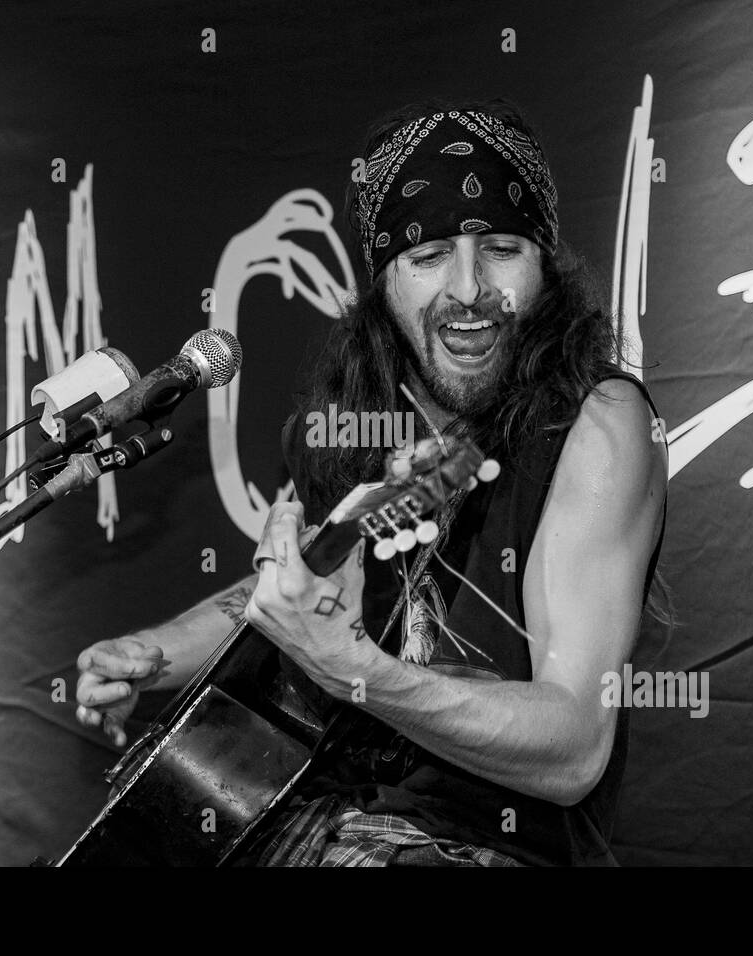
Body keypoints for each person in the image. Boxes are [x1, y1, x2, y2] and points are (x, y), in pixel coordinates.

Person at [75, 97, 669, 866]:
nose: (467, 289)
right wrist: (149, 653)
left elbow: (574, 746)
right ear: (384, 284)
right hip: (310, 815)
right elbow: (283, 601)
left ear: (544, 268)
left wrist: (355, 670)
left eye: (499, 248)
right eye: (428, 258)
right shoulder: (368, 424)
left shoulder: (599, 421)